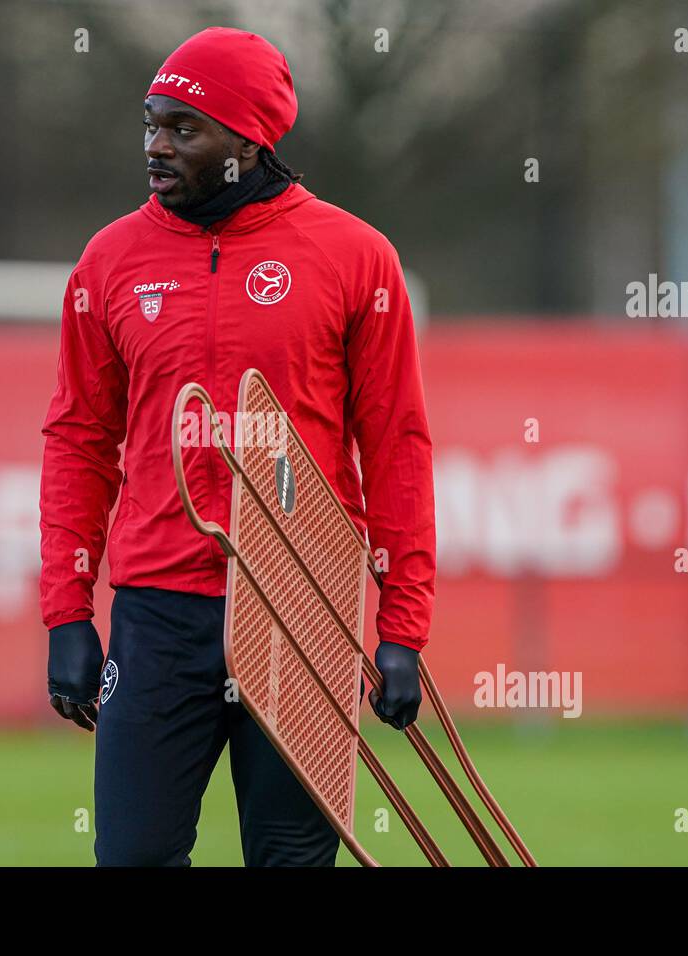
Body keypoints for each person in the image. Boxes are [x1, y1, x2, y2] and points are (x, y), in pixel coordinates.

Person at [39, 28, 436, 866]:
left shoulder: (356, 255)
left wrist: (403, 625)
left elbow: (396, 445)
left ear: (249, 140)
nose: (156, 146)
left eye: (185, 128)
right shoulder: (108, 260)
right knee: (132, 857)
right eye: (150, 122)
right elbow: (78, 441)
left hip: (303, 607)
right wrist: (67, 611)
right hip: (156, 611)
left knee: (290, 861)